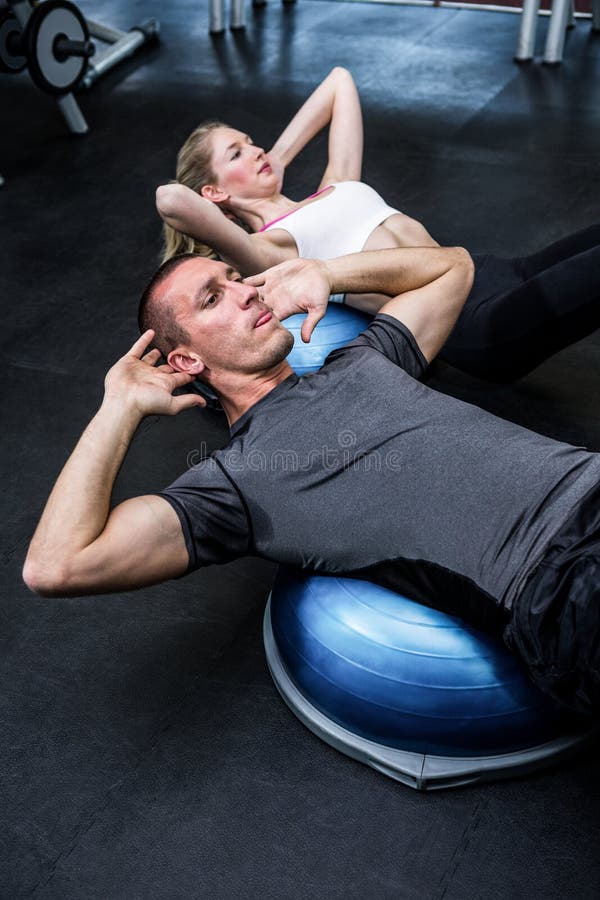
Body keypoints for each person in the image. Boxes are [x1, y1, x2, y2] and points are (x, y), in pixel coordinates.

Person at [23, 244, 600, 717]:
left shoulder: (365, 357)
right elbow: (56, 566)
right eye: (213, 298)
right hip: (562, 580)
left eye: (236, 278)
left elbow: (453, 268)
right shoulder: (234, 487)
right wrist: (118, 407)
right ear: (187, 362)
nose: (247, 291)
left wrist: (327, 272)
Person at [156, 67, 600, 383]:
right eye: (236, 154)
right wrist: (225, 200)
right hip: (473, 323)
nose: (256, 151)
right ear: (213, 192)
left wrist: (277, 158)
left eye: (252, 142)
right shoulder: (270, 250)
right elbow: (171, 199)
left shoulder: (334, 185)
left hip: (496, 271)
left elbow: (340, 82)